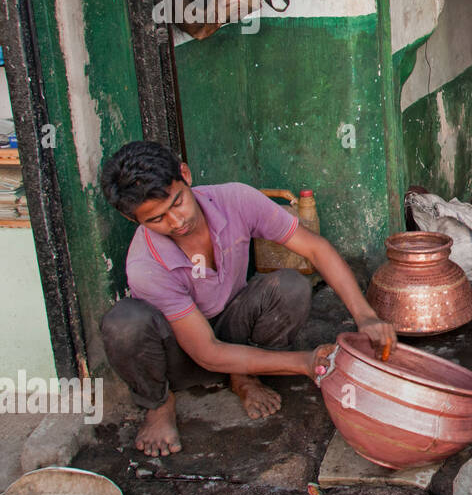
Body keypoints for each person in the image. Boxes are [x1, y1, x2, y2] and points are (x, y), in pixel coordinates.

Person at [97, 141, 397, 457]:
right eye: (156, 219)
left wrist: (365, 315)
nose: (176, 222)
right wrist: (304, 362)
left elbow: (314, 248)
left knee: (290, 286)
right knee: (124, 323)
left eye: (177, 203)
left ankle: (244, 376)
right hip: (180, 354)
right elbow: (207, 353)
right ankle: (159, 403)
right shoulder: (146, 265)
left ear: (184, 175)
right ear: (134, 220)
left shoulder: (234, 199)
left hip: (232, 327)